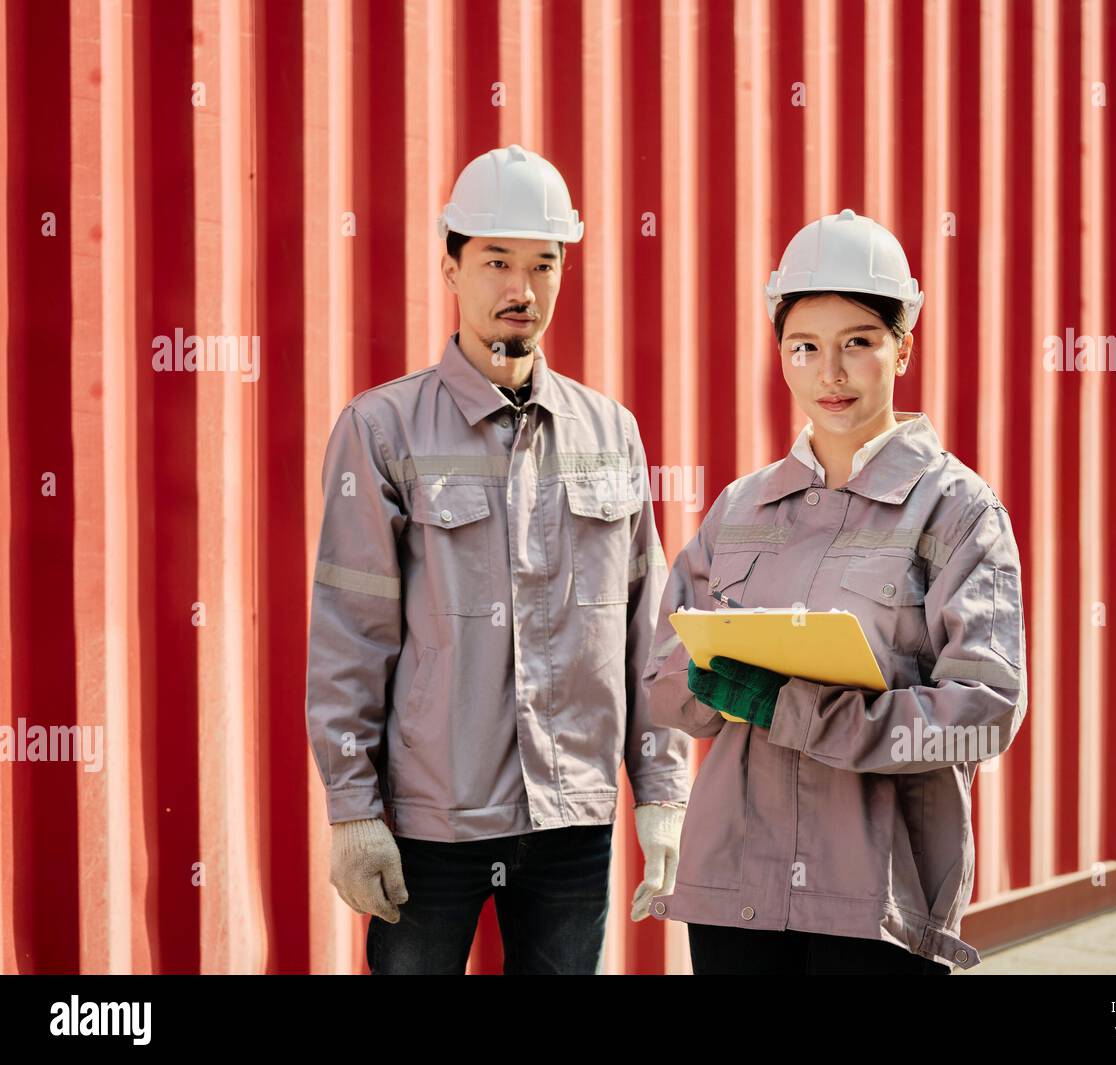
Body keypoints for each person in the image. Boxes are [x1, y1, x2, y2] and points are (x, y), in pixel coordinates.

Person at [305, 144, 690, 975]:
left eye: (543, 263)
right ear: (450, 265)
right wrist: (352, 810)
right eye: (496, 261)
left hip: (571, 820)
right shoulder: (383, 430)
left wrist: (662, 793)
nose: (521, 288)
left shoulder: (609, 431)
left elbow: (647, 633)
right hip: (431, 822)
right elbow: (350, 633)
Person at [642, 209, 1028, 975]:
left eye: (859, 343)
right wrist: (711, 685)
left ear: (903, 346)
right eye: (805, 348)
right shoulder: (741, 507)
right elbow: (662, 681)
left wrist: (794, 710)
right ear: (780, 356)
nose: (831, 374)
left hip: (873, 904)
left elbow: (983, 713)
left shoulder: (956, 510)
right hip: (732, 892)